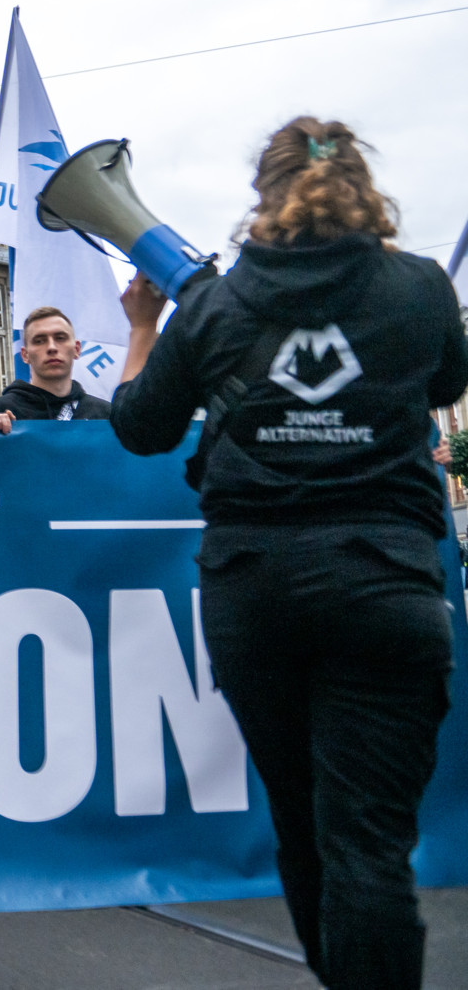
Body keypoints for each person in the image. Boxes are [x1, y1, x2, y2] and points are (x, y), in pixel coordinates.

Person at [110, 117, 468, 990]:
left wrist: (144, 327)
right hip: (385, 579)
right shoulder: (419, 287)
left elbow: (141, 427)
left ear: (262, 195)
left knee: (303, 825)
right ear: (363, 186)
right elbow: (448, 381)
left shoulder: (215, 304)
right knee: (369, 841)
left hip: (254, 588)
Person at [0, 308, 112, 420]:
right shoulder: (1, 412)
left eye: (60, 338)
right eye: (39, 341)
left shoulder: (105, 415)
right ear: (25, 355)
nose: (51, 347)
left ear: (77, 349)